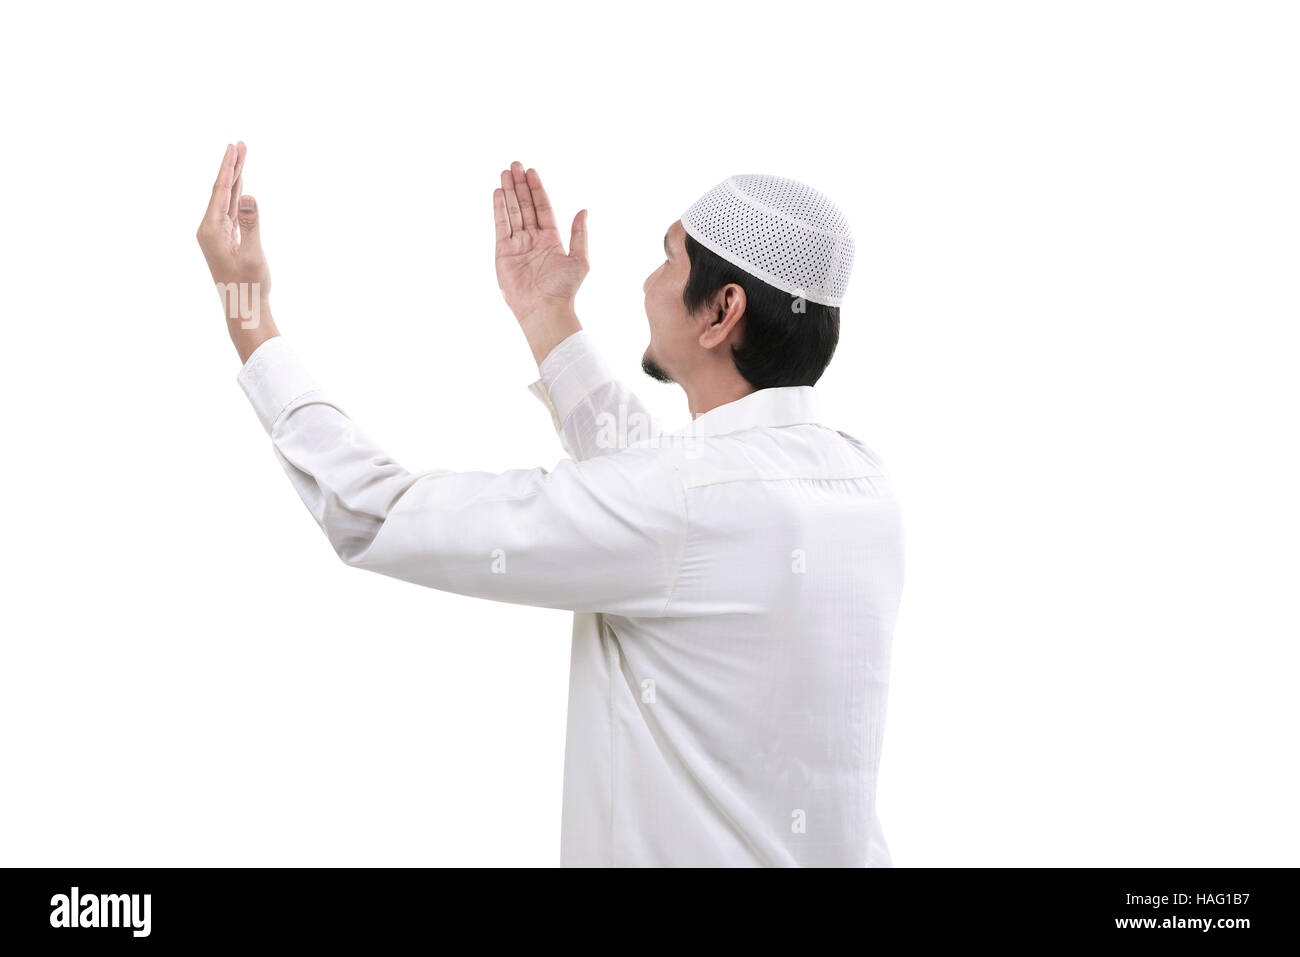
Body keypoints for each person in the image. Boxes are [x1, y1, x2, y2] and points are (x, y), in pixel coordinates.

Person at [196, 143, 905, 867]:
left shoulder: (684, 504)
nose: (648, 282)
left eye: (669, 259)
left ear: (723, 310)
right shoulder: (863, 483)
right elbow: (652, 495)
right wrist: (547, 314)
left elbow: (373, 512)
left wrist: (244, 308)